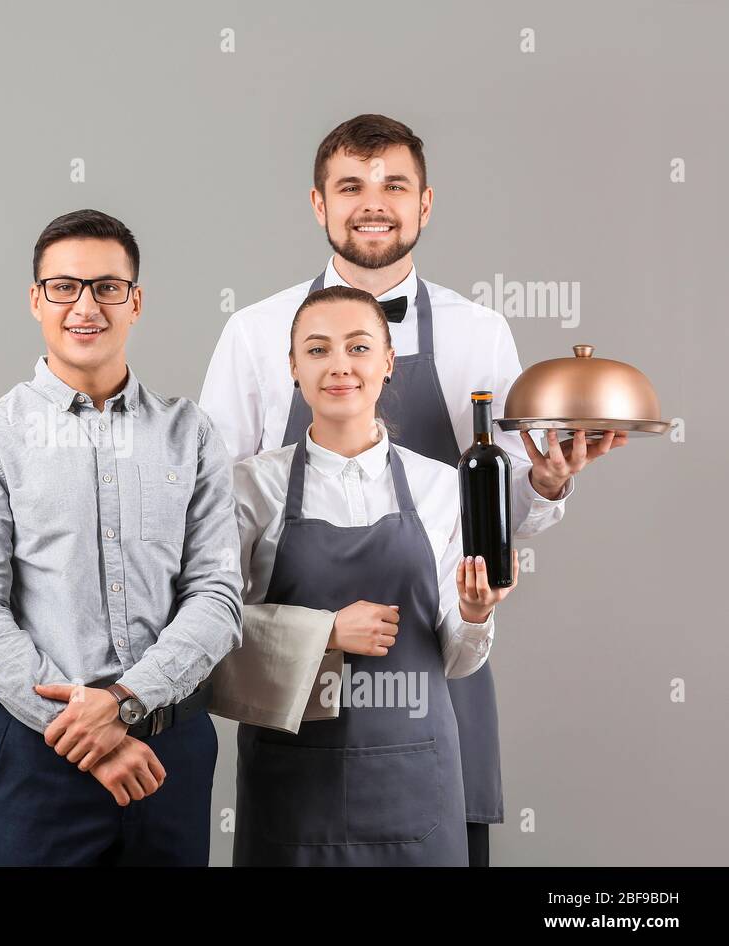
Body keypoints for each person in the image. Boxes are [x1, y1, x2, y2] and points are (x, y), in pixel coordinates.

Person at [200, 114, 621, 865]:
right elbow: (210, 532)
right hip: (299, 690)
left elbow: (496, 521)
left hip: (440, 657)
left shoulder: (480, 330)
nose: (373, 202)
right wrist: (315, 633)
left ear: (425, 203)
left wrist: (547, 486)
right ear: (317, 203)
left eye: (395, 185)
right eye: (351, 185)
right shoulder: (252, 330)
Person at [0, 209, 242, 866]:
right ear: (35, 299)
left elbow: (218, 595)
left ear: (136, 302)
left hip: (173, 753)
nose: (86, 306)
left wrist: (125, 702)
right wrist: (88, 730)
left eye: (107, 287)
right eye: (64, 287)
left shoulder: (190, 435)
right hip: (41, 760)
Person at [232, 285, 517, 865]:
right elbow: (211, 637)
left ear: (387, 362)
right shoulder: (250, 487)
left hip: (415, 780)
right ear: (293, 368)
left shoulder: (440, 486)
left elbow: (457, 661)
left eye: (358, 347)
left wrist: (475, 614)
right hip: (294, 789)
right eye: (317, 350)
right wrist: (325, 633)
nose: (339, 366)